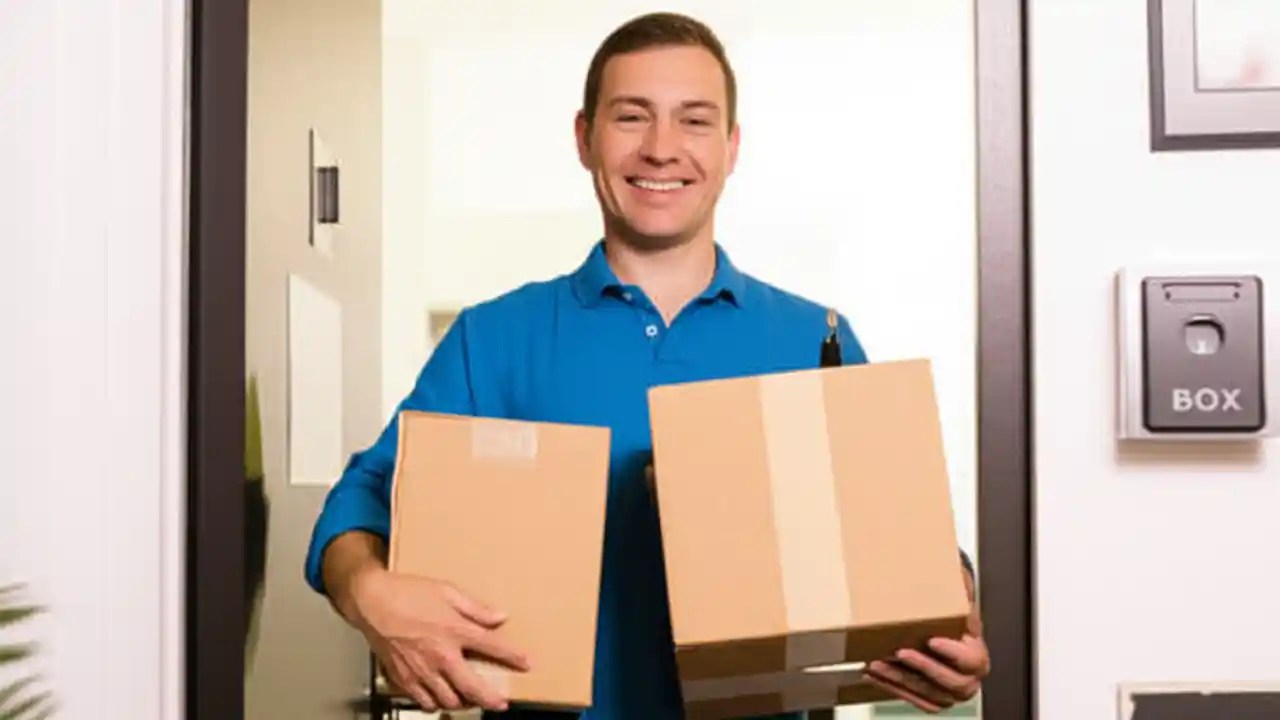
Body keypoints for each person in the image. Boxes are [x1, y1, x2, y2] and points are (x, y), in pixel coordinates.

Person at [303, 11, 990, 720]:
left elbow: (897, 541)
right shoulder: (495, 338)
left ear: (731, 147)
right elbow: (363, 500)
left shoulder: (815, 339)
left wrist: (956, 614)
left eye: (694, 121)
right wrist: (368, 595)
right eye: (632, 117)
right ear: (584, 138)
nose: (662, 149)